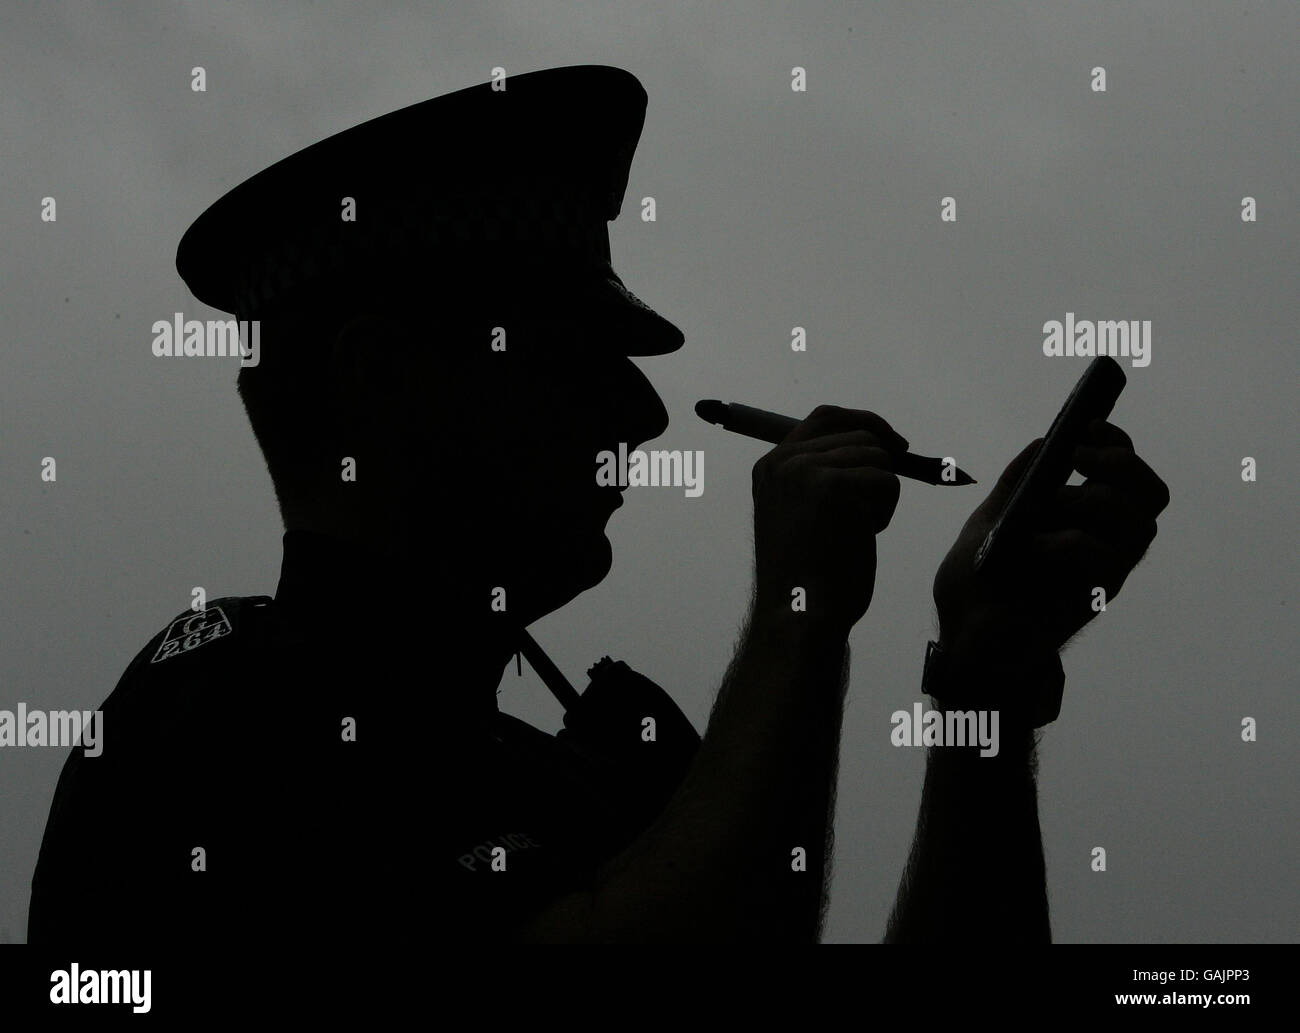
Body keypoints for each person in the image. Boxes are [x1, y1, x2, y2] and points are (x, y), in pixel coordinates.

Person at [29, 65, 1168, 945]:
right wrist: (799, 612)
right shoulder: (217, 720)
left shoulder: (589, 775)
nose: (642, 414)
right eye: (573, 357)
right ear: (383, 380)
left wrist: (986, 688)